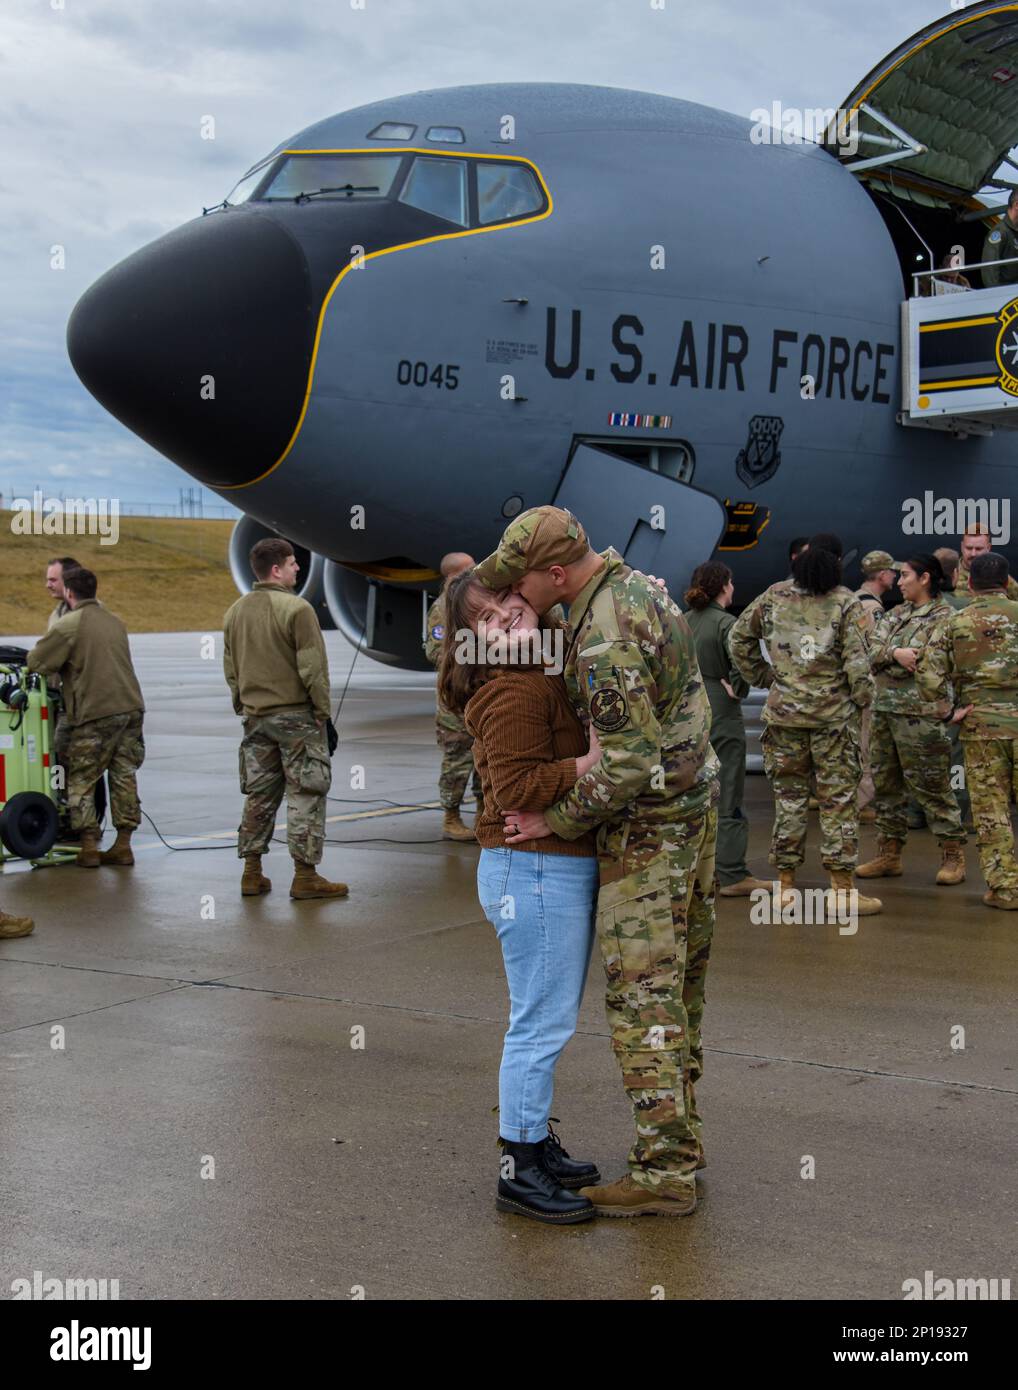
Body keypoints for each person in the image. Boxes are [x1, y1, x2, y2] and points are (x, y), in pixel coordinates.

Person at [477, 505, 719, 1218]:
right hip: (687, 815)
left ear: (557, 573)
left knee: (642, 999)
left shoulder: (604, 633)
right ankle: (682, 1143)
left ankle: (664, 1170)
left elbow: (626, 766)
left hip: (647, 828)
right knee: (678, 992)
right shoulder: (629, 590)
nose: (515, 599)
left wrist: (555, 818)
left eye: (521, 585)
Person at [438, 574, 601, 1225]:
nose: (504, 621)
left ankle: (533, 1145)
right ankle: (519, 1171)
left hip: (543, 869)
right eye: (486, 618)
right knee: (540, 1025)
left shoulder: (539, 667)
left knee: (544, 1019)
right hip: (532, 872)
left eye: (509, 605)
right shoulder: (512, 687)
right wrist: (591, 761)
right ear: (471, 638)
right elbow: (517, 789)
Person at [729, 533, 882, 914]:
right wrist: (863, 701)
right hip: (833, 722)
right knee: (837, 803)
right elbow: (859, 664)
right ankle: (841, 891)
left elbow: (738, 640)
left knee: (789, 801)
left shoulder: (774, 596)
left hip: (784, 719)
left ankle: (785, 888)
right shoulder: (846, 603)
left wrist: (766, 678)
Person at [222, 538, 347, 901]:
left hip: (256, 718)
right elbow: (312, 669)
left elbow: (230, 669)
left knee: (259, 795)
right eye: (293, 563)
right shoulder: (297, 609)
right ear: (276, 569)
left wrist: (243, 706)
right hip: (296, 717)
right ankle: (305, 875)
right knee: (306, 791)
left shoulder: (235, 612)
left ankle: (252, 872)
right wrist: (323, 714)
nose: (297, 568)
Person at [856, 554, 966, 886]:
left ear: (926, 578)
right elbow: (869, 654)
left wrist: (893, 655)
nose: (899, 581)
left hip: (921, 716)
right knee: (887, 788)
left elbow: (927, 660)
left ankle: (953, 856)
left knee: (932, 787)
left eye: (905, 576)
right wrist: (895, 654)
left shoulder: (946, 617)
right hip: (885, 712)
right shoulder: (896, 614)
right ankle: (889, 854)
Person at [26, 567, 145, 868]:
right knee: (124, 776)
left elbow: (37, 661)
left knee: (81, 778)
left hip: (95, 712)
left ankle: (89, 845)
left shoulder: (70, 625)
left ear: (69, 592)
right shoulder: (115, 622)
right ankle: (123, 845)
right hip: (130, 709)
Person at [921, 552, 1018, 909]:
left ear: (970, 583)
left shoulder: (955, 622)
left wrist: (948, 712)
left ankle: (1006, 889)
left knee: (992, 812)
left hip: (980, 727)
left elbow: (928, 674)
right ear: (1007, 583)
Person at [683, 561, 767, 897]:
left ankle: (696, 867)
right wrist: (738, 688)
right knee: (728, 788)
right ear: (724, 586)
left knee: (694, 788)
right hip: (720, 709)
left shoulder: (684, 622)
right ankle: (731, 872)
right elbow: (742, 666)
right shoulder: (727, 624)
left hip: (689, 709)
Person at [424, 552, 481, 841]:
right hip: (455, 703)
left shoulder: (473, 603)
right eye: (469, 569)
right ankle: (451, 817)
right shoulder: (441, 610)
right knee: (457, 762)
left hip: (479, 698)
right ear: (451, 576)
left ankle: (485, 815)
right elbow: (434, 651)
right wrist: (469, 654)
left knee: (485, 763)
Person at [853, 550, 901, 822]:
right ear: (883, 575)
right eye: (892, 571)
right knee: (866, 744)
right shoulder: (873, 609)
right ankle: (861, 804)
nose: (895, 576)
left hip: (851, 683)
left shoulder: (852, 599)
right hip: (867, 684)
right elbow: (876, 649)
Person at [43, 556, 82, 839]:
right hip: (62, 699)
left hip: (83, 704)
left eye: (53, 579)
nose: (47, 585)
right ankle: (69, 817)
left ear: (68, 582)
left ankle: (83, 824)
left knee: (80, 763)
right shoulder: (56, 614)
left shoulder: (88, 616)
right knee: (61, 760)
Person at [955, 523, 1018, 605]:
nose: (973, 553)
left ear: (988, 548)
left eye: (979, 549)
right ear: (962, 546)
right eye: (969, 548)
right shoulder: (950, 575)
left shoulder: (1001, 577)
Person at [981, 190, 1018, 288]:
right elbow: (989, 267)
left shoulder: (1014, 232)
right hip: (1005, 296)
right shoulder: (1000, 232)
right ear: (1017, 205)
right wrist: (996, 294)